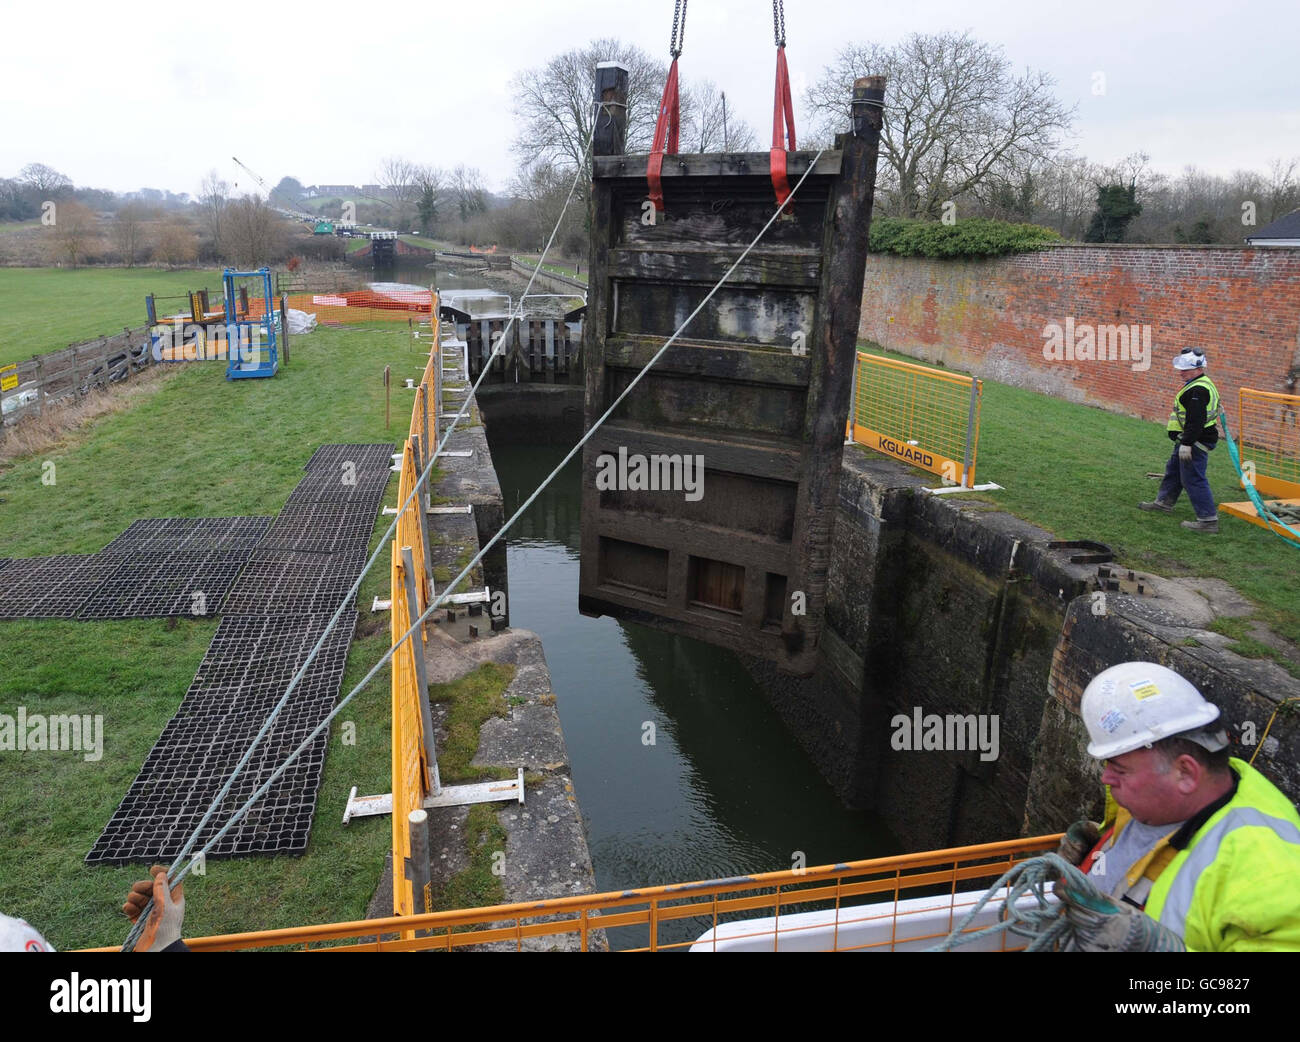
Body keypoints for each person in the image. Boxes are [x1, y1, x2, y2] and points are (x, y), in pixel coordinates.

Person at [1056, 661, 1300, 951]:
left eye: (1119, 770)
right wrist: (1095, 852)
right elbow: (1152, 854)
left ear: (1186, 772)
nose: (1105, 777)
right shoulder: (1163, 799)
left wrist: (1155, 947)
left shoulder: (1271, 878)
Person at [1139, 347, 1222, 532]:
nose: (1181, 372)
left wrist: (1187, 444)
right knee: (1174, 471)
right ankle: (1163, 503)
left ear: (1199, 369)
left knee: (1193, 478)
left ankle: (1208, 520)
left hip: (1195, 442)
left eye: (1185, 369)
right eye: (1181, 368)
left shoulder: (1198, 390)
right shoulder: (1199, 384)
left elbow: (1196, 421)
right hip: (1189, 439)